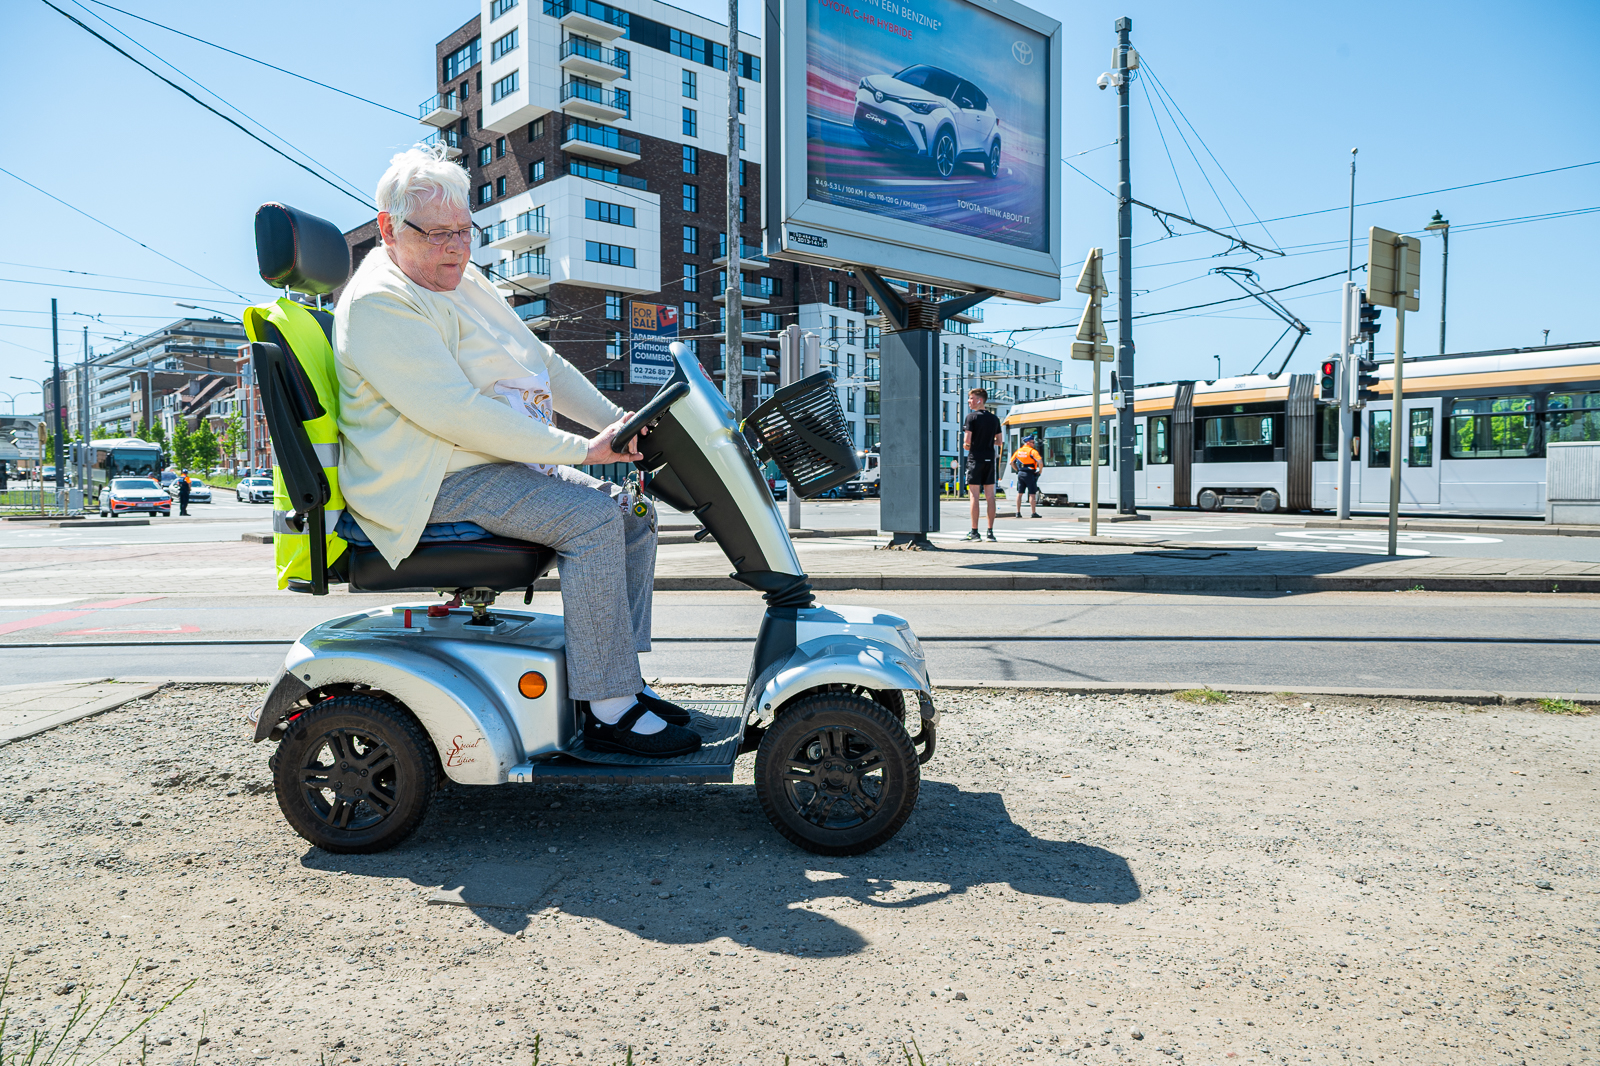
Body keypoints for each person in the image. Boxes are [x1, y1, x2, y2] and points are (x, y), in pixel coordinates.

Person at [334, 145, 700, 759]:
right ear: (388, 228)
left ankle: (619, 685)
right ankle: (608, 711)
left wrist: (615, 423)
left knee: (632, 510)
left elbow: (543, 362)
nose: (456, 247)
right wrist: (582, 451)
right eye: (438, 234)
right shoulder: (381, 301)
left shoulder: (458, 277)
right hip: (431, 479)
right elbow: (458, 414)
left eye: (464, 230)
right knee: (591, 519)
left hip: (485, 461)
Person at [962, 388, 1002, 542]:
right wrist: (987, 441)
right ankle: (990, 533)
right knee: (991, 496)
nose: (969, 401)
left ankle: (974, 532)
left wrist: (969, 445)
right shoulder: (994, 419)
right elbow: (999, 441)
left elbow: (967, 442)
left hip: (975, 459)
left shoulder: (971, 417)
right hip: (990, 460)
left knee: (974, 496)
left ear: (979, 400)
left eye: (971, 399)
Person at [1010, 433, 1044, 518]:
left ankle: (1018, 512)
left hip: (1021, 473)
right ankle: (1033, 513)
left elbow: (1011, 462)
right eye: (1032, 442)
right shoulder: (1032, 451)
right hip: (1030, 473)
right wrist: (1040, 471)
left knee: (1020, 493)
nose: (1034, 444)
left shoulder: (1018, 451)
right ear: (1028, 442)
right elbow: (1040, 462)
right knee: (1032, 493)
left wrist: (1017, 470)